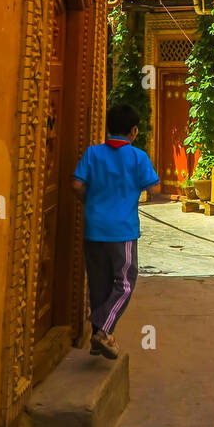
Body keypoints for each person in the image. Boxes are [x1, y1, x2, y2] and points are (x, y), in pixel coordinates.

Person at [72, 103, 159, 359]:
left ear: (108, 128)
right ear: (133, 131)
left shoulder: (92, 154)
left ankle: (100, 337)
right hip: (123, 232)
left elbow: (76, 185)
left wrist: (93, 202)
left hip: (94, 229)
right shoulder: (138, 157)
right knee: (125, 284)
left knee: (98, 285)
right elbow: (153, 189)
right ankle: (102, 330)